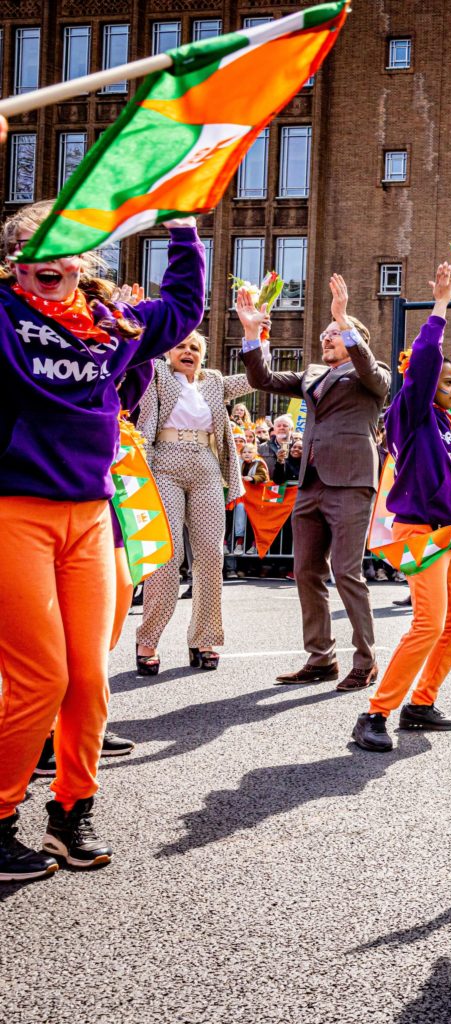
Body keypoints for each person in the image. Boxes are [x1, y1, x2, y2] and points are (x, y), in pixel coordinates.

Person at [0, 203, 204, 881]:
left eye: (62, 245)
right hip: (14, 514)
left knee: (88, 678)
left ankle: (71, 810)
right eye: (30, 245)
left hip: (89, 517)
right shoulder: (3, 316)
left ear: (84, 261)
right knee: (41, 678)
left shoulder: (111, 325)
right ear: (14, 261)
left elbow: (182, 309)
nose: (47, 257)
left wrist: (183, 227)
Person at [352, 267, 451, 752]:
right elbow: (427, 365)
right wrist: (440, 308)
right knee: (428, 624)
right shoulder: (411, 417)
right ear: (424, 384)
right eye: (444, 383)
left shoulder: (449, 419)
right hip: (422, 533)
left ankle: (421, 702)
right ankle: (375, 713)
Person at [240, 274, 390, 692]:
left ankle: (366, 660)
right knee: (305, 570)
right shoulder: (312, 375)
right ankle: (321, 657)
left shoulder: (373, 374)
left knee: (346, 571)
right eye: (325, 334)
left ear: (355, 339)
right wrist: (252, 335)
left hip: (351, 481)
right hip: (311, 482)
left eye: (335, 333)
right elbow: (262, 380)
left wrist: (343, 318)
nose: (327, 338)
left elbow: (371, 371)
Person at [132, 332, 252, 673]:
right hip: (164, 464)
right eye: (181, 346)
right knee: (168, 555)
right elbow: (137, 361)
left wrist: (254, 337)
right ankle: (148, 640)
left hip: (206, 466)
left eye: (195, 348)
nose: (187, 352)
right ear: (168, 352)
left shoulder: (213, 381)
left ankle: (204, 638)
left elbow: (254, 378)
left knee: (211, 556)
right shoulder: (157, 373)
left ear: (203, 355)